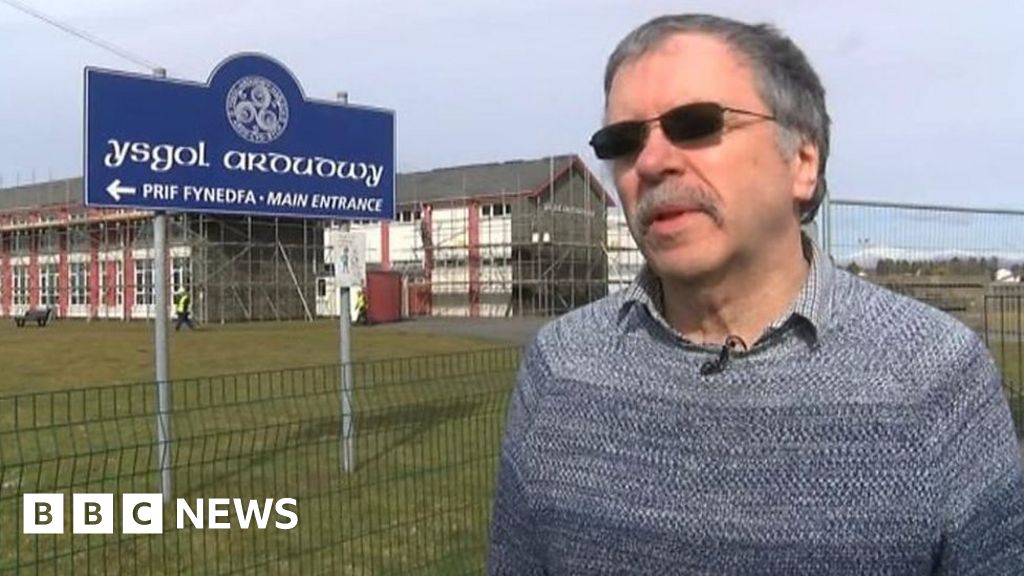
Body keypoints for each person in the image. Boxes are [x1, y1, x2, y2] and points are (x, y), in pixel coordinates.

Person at [489, 13, 1024, 575]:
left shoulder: (935, 376)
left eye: (695, 123)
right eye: (622, 141)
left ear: (802, 162)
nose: (649, 162)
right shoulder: (560, 367)